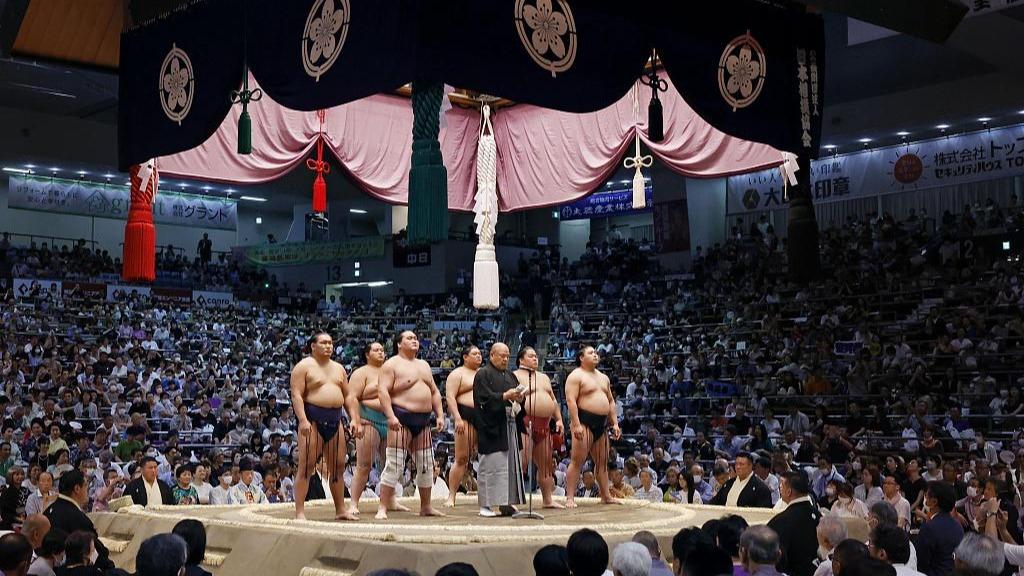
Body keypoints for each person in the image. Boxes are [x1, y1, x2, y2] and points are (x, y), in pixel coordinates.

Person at [376, 331, 446, 520]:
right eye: (409, 338)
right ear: (398, 343)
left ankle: (426, 506)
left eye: (415, 338)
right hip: (401, 418)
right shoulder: (391, 365)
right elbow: (382, 392)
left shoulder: (424, 365)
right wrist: (390, 416)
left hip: (423, 421)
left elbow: (434, 392)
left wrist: (439, 414)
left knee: (426, 465)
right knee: (395, 463)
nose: (414, 340)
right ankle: (382, 507)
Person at [291, 332, 361, 521]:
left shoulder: (339, 369)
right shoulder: (303, 367)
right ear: (313, 346)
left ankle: (340, 510)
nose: (328, 346)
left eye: (330, 342)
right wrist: (303, 420)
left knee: (338, 467)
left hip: (335, 419)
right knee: (306, 467)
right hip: (312, 419)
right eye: (323, 342)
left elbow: (348, 396)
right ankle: (300, 512)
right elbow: (296, 395)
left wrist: (354, 418)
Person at [473, 342, 527, 517]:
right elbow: (483, 400)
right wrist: (505, 396)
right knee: (491, 465)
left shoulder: (511, 375)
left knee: (509, 465)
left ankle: (506, 503)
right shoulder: (483, 374)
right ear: (492, 355)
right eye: (501, 355)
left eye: (507, 356)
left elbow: (518, 401)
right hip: (492, 426)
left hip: (509, 423)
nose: (505, 359)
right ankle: (485, 505)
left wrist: (519, 398)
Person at [564, 346, 621, 509]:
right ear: (581, 357)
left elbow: (610, 401)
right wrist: (575, 424)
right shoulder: (576, 376)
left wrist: (615, 423)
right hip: (584, 421)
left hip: (601, 424)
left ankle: (606, 496)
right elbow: (571, 401)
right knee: (577, 461)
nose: (595, 355)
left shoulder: (603, 378)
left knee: (602, 463)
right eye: (591, 353)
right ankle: (570, 497)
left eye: (596, 352)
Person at [515, 346, 565, 509]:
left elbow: (553, 400)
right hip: (523, 423)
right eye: (531, 356)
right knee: (521, 463)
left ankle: (547, 500)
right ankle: (509, 500)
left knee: (546, 466)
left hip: (544, 426)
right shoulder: (514, 376)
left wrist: (559, 419)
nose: (535, 358)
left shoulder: (544, 377)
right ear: (521, 360)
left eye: (536, 356)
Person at [346, 342, 389, 516]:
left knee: (391, 465)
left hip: (389, 421)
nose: (380, 352)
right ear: (367, 354)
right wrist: (355, 420)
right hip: (369, 421)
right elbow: (353, 397)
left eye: (382, 350)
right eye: (376, 350)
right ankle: (353, 503)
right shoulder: (361, 373)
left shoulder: (390, 370)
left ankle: (390, 500)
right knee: (364, 464)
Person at [43, 471, 112, 570]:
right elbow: (94, 552)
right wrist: (109, 567)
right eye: (85, 486)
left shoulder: (49, 510)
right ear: (77, 489)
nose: (87, 490)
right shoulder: (78, 518)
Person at [444, 345, 483, 507]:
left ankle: (489, 495)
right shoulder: (457, 373)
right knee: (461, 459)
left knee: (488, 458)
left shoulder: (484, 373)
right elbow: (450, 397)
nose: (478, 356)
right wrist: (457, 418)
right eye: (474, 353)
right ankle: (451, 495)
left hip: (484, 417)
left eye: (480, 353)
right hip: (465, 416)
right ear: (465, 357)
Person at [768, 471, 822, 576]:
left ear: (789, 491)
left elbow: (775, 560)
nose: (779, 488)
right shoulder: (820, 517)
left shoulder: (780, 521)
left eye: (781, 485)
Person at [916, 482, 963, 576]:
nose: (925, 501)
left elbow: (922, 563)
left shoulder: (929, 528)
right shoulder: (958, 526)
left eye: (927, 496)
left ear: (934, 502)